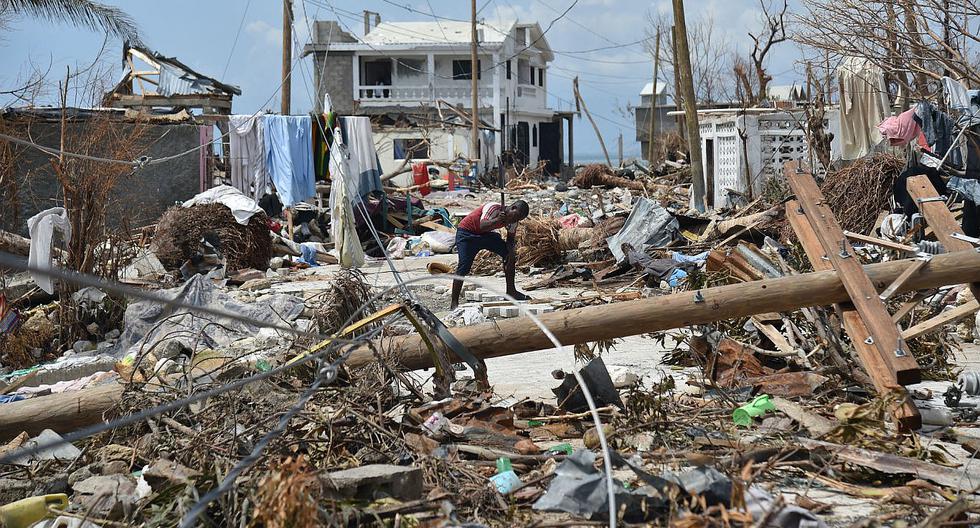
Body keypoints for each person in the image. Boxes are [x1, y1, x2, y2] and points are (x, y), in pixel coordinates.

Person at [451, 200, 531, 309]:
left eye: (517, 219)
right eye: (514, 217)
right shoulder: (493, 208)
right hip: (466, 233)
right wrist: (498, 220)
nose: (513, 220)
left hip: (485, 235)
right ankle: (454, 302)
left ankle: (511, 292)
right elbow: (482, 225)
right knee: (463, 267)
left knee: (508, 254)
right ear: (512, 208)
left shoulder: (513, 221)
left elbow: (510, 240)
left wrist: (510, 254)